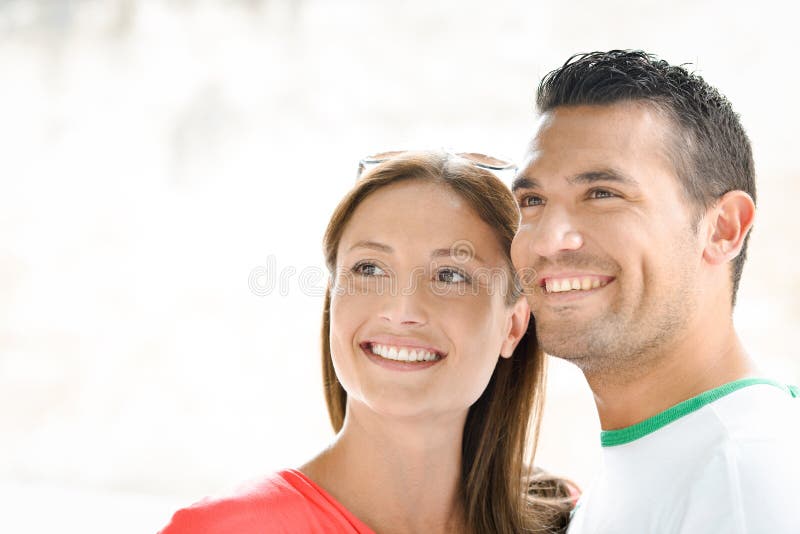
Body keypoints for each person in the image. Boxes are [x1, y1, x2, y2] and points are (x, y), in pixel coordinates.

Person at [160, 151, 573, 534]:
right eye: (370, 268)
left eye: (450, 275)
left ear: (514, 326)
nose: (402, 309)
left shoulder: (569, 518)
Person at [510, 50, 800, 533]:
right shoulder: (667, 456)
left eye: (602, 193)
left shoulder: (746, 479)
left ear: (723, 228)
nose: (546, 240)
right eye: (533, 201)